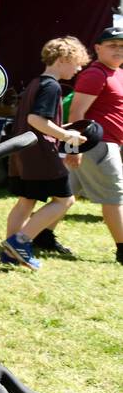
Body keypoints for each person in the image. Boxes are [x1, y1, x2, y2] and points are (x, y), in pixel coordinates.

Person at [1, 37, 91, 268]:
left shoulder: (35, 83)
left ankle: (11, 253)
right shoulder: (52, 86)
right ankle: (20, 241)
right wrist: (66, 136)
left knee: (26, 201)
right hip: (40, 153)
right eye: (77, 63)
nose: (79, 69)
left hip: (23, 151)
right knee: (65, 200)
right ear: (63, 60)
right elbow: (36, 119)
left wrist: (62, 130)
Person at [67, 24, 123, 265]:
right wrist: (72, 147)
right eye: (112, 45)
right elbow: (75, 114)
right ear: (98, 48)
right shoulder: (95, 74)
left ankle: (40, 236)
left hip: (106, 145)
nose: (118, 50)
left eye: (122, 46)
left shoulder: (117, 73)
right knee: (115, 197)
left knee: (66, 196)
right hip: (98, 146)